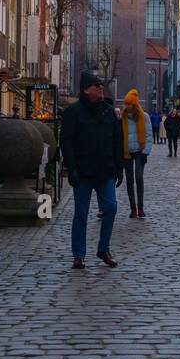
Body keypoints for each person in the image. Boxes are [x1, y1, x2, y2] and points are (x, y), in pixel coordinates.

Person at [59, 71, 123, 268]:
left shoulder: (109, 112)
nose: (101, 87)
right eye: (97, 85)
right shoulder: (73, 112)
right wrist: (72, 169)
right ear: (86, 89)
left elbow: (117, 141)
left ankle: (103, 248)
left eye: (101, 85)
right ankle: (79, 254)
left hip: (105, 171)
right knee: (81, 214)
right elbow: (66, 142)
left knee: (111, 207)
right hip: (83, 172)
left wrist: (119, 167)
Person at [120, 88, 152, 219]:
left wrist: (145, 152)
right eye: (126, 104)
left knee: (139, 177)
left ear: (135, 105)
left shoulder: (144, 116)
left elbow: (149, 135)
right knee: (129, 179)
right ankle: (133, 207)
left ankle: (141, 207)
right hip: (127, 151)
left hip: (140, 150)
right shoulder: (123, 117)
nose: (127, 107)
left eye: (129, 104)